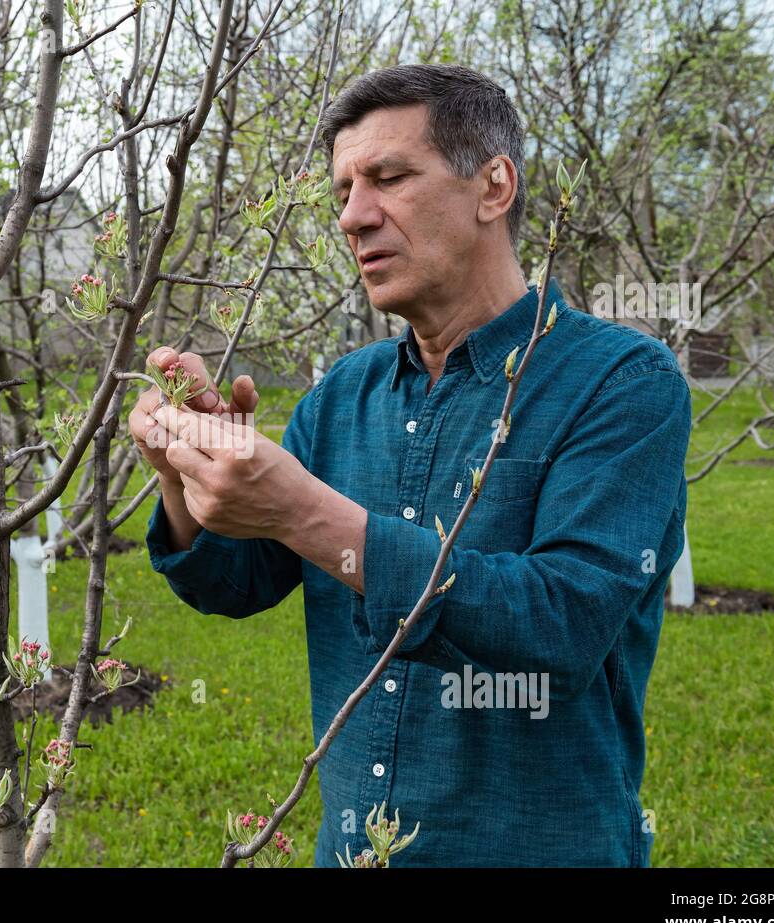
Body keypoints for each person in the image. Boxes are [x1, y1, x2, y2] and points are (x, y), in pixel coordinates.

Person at [128, 63, 692, 867]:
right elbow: (234, 583)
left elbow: (561, 623)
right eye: (343, 193)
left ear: (493, 187)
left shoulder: (622, 382)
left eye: (388, 177)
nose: (355, 217)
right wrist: (185, 472)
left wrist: (302, 510)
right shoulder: (344, 394)